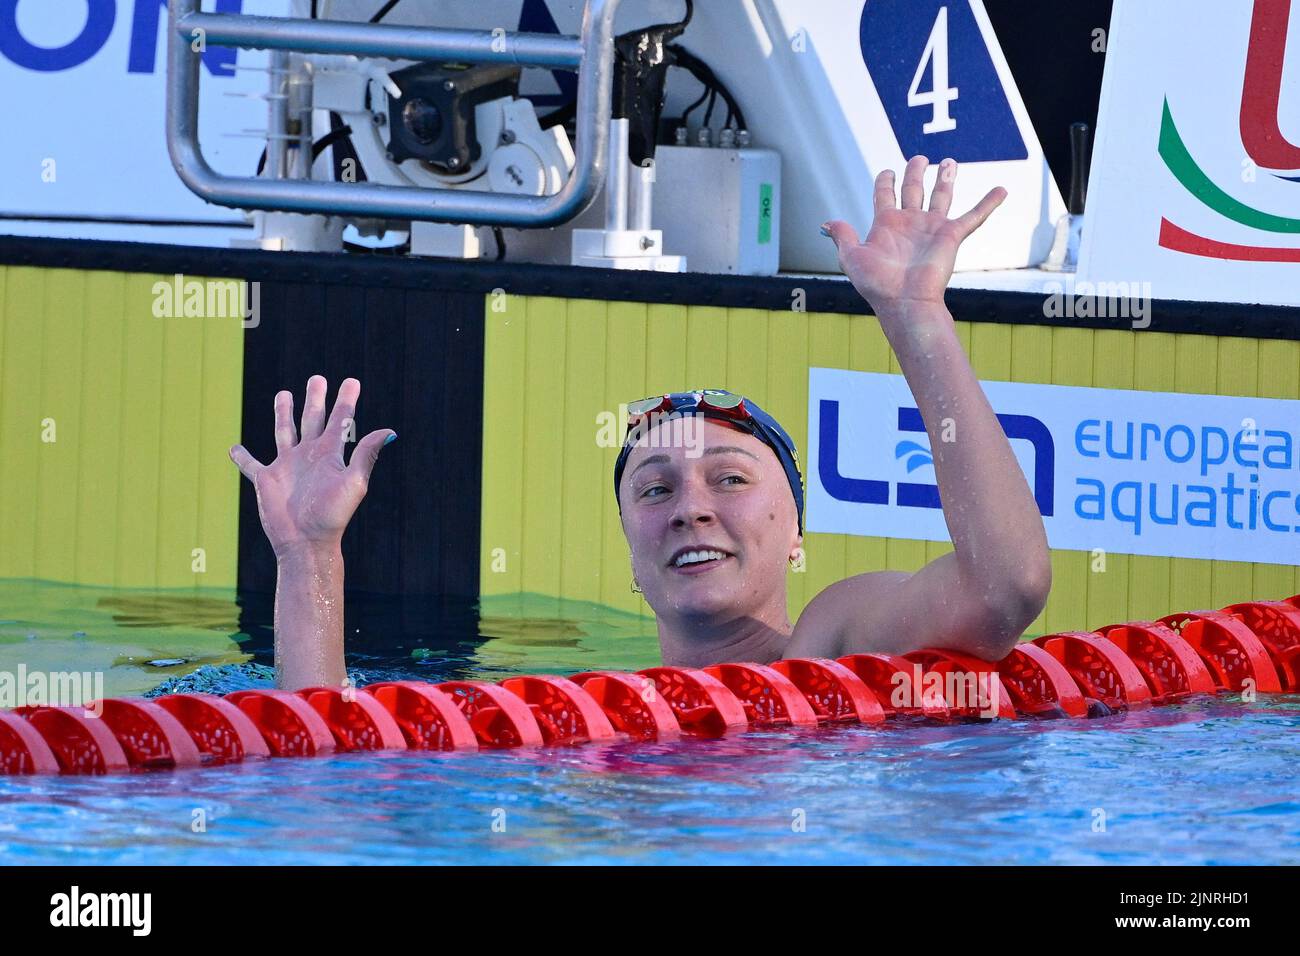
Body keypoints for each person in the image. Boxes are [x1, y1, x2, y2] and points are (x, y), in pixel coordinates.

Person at [230, 157, 1051, 688]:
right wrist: (308, 558)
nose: (691, 506)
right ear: (630, 558)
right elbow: (325, 768)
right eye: (655, 489)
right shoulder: (582, 716)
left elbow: (1003, 586)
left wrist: (918, 319)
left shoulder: (832, 643)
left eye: (730, 477)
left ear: (797, 532)